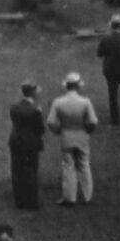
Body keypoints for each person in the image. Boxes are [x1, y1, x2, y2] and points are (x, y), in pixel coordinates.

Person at [45, 72, 98, 207]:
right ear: (78, 86)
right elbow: (93, 121)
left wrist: (58, 130)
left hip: (66, 136)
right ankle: (87, 196)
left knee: (68, 166)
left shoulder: (58, 102)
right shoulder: (85, 102)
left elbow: (50, 121)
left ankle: (70, 198)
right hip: (82, 136)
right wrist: (88, 130)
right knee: (84, 164)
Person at [8, 80, 46, 209]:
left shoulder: (14, 107)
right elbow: (40, 129)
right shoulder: (35, 110)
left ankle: (19, 200)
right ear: (32, 93)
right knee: (31, 171)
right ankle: (31, 202)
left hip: (16, 141)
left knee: (17, 170)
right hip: (30, 143)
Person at [96, 13, 120, 125]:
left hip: (110, 70)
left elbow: (99, 54)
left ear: (111, 26)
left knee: (112, 94)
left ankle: (114, 119)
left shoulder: (105, 39)